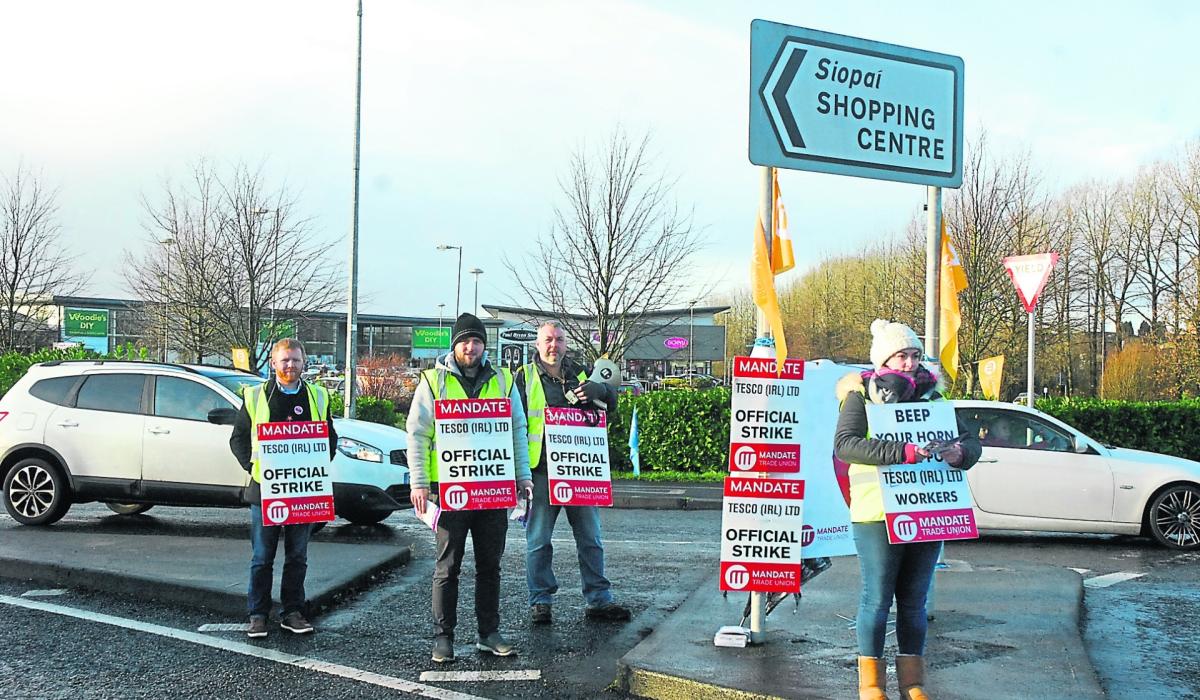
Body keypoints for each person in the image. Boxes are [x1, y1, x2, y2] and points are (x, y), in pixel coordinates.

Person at [834, 319, 981, 700]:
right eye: (902, 355)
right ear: (885, 359)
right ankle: (871, 686)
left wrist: (960, 452)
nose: (910, 363)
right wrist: (905, 452)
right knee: (878, 598)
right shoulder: (861, 397)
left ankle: (913, 684)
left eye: (915, 355)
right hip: (877, 513)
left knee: (914, 601)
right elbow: (846, 445)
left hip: (926, 512)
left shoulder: (934, 399)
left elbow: (971, 443)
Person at [407, 313, 533, 663]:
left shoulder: (505, 381)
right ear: (455, 345)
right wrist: (419, 483)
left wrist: (522, 477)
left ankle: (488, 634)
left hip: (494, 489)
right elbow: (418, 435)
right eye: (465, 341)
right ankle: (442, 638)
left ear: (484, 345)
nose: (471, 347)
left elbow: (517, 432)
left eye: (476, 341)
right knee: (448, 566)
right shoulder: (433, 383)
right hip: (450, 490)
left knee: (490, 565)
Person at [515, 321, 631, 624]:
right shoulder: (523, 378)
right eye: (548, 340)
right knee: (538, 540)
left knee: (590, 538)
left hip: (580, 471)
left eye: (559, 340)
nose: (554, 345)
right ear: (538, 345)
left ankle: (598, 600)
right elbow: (512, 423)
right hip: (540, 471)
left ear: (566, 344)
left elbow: (612, 404)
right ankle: (540, 601)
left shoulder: (580, 373)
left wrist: (602, 389)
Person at [230, 338, 337, 639]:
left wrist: (312, 467)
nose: (290, 365)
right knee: (262, 557)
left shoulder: (318, 396)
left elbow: (329, 438)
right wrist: (254, 469)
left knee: (297, 556)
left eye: (295, 360)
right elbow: (238, 439)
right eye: (285, 360)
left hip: (303, 491)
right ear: (273, 364)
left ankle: (293, 612)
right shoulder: (255, 396)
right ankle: (258, 615)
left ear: (305, 363)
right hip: (265, 490)